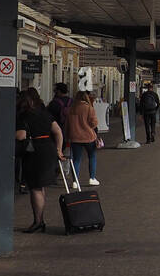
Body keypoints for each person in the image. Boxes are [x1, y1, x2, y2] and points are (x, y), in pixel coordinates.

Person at [15, 86, 63, 234]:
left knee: (35, 187)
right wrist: (59, 150)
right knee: (40, 186)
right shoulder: (45, 113)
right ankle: (39, 219)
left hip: (34, 152)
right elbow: (58, 132)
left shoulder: (24, 116)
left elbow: (21, 136)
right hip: (48, 149)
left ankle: (38, 221)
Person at [66, 90, 100, 186]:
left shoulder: (71, 109)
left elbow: (67, 124)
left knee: (76, 159)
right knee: (92, 157)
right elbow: (94, 123)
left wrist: (67, 136)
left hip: (75, 137)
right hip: (88, 137)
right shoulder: (89, 108)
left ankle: (75, 181)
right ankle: (92, 178)